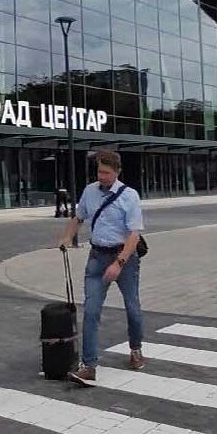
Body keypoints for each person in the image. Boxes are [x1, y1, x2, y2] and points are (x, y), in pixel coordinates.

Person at [59, 150, 145, 387]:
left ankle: (136, 349)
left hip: (124, 258)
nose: (102, 176)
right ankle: (88, 366)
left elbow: (134, 234)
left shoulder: (130, 196)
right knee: (91, 310)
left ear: (117, 172)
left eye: (106, 172)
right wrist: (67, 237)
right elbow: (78, 218)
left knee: (132, 307)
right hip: (97, 257)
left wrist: (119, 263)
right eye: (99, 171)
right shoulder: (89, 191)